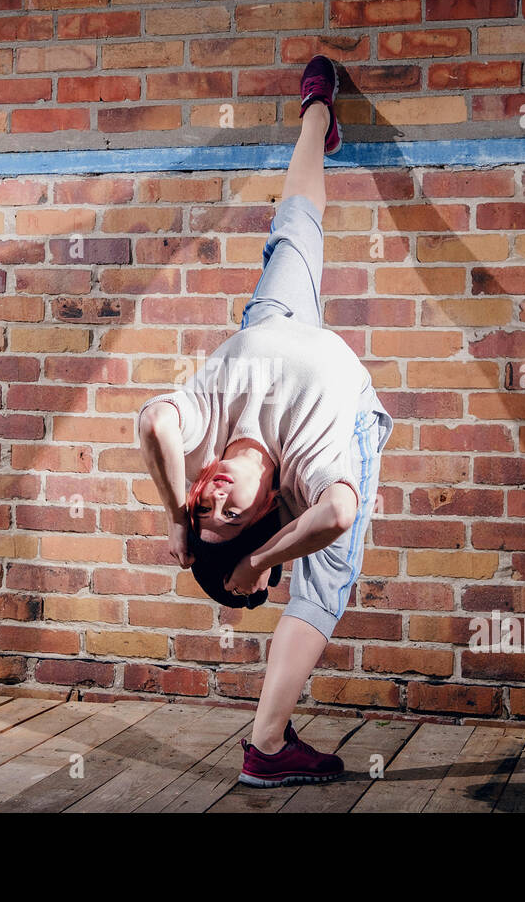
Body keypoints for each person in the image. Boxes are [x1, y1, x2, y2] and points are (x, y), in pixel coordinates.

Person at [137, 55, 393, 787]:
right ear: (262, 518)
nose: (213, 495)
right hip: (348, 409)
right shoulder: (309, 468)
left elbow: (156, 420)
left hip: (276, 324)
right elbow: (338, 512)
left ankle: (317, 112)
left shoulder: (206, 435)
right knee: (325, 583)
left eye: (202, 504)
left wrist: (176, 517)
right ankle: (268, 746)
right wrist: (254, 565)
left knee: (295, 227)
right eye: (227, 515)